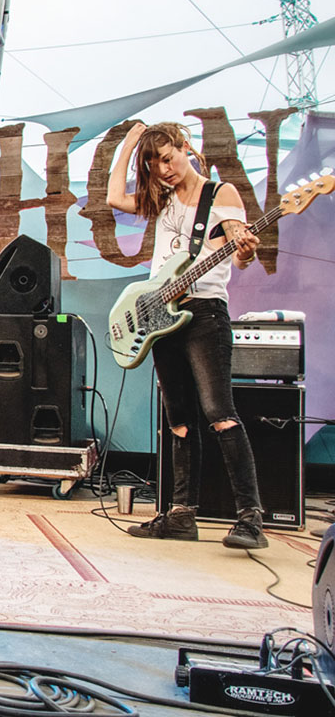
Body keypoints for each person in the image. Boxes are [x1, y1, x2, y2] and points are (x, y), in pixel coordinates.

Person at [107, 121, 266, 550]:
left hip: (205, 312)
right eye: (153, 163)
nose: (162, 169)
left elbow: (238, 243)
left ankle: (251, 518)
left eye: (167, 157)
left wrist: (244, 244)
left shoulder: (222, 193)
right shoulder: (160, 200)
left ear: (185, 148)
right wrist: (128, 143)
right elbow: (112, 197)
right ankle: (181, 514)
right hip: (162, 315)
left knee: (219, 411)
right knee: (178, 419)